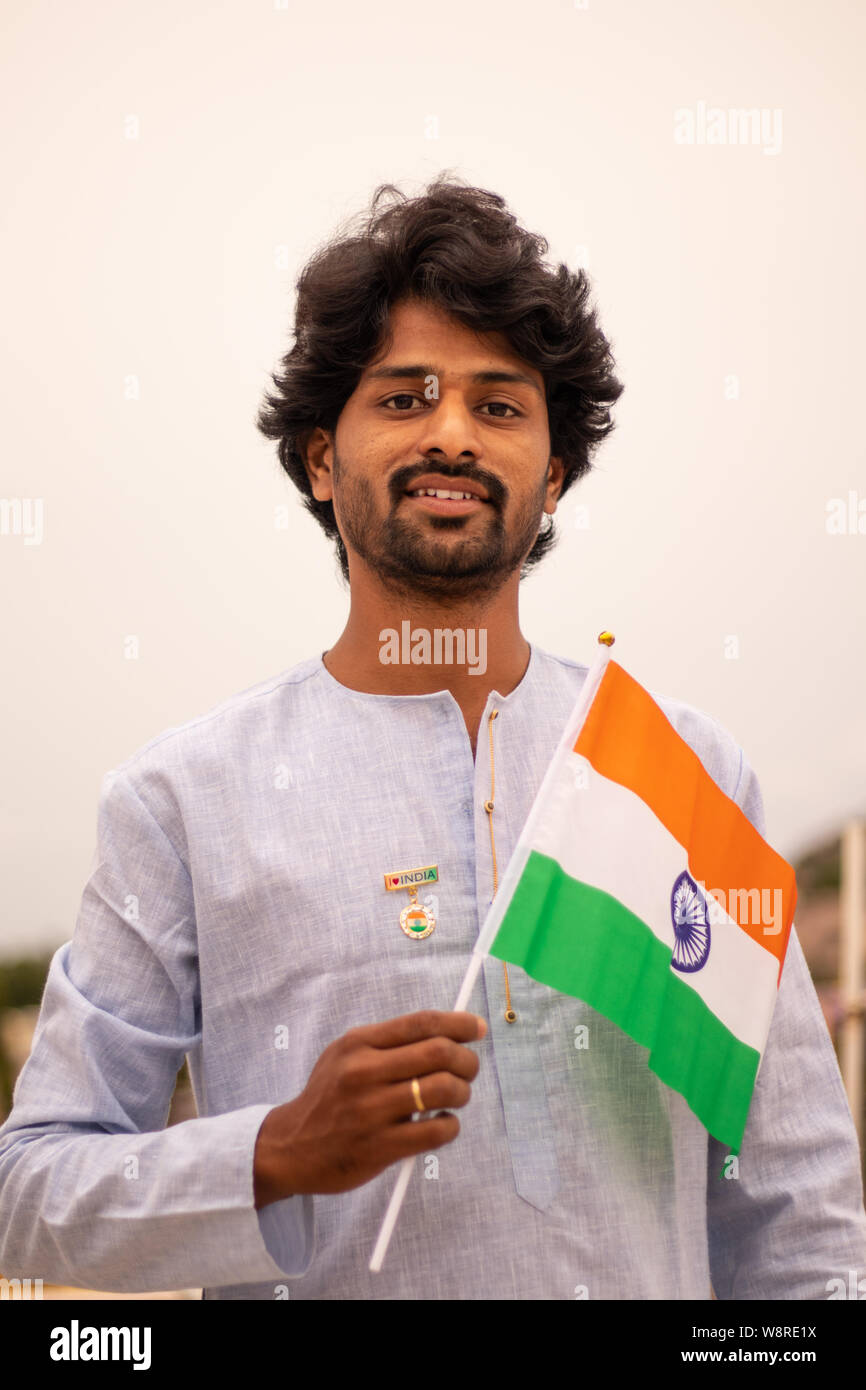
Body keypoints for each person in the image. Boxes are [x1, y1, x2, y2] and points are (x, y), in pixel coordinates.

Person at [1, 177, 864, 1301]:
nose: (451, 432)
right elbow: (33, 1192)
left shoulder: (676, 772)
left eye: (499, 406)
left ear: (551, 477)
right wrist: (273, 1153)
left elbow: (797, 1210)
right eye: (403, 399)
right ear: (321, 459)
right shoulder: (185, 800)